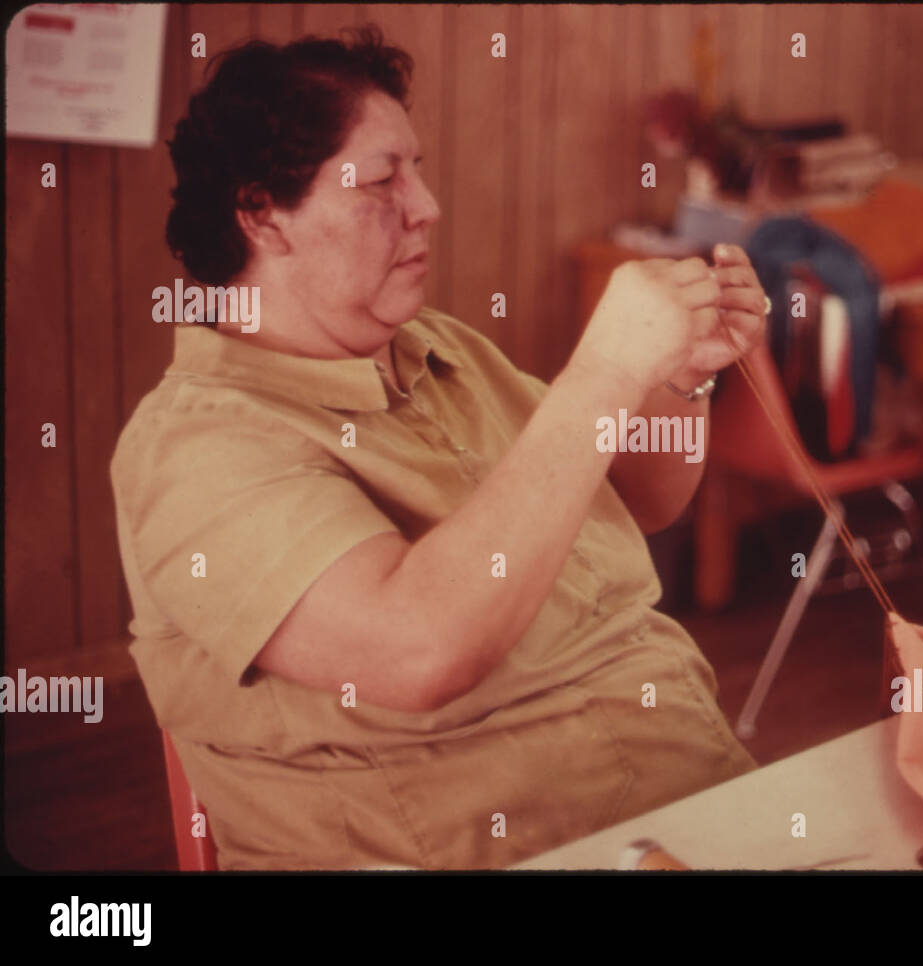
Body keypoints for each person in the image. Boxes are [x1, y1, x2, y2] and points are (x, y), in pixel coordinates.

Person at [110, 26, 769, 870]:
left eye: (415, 172)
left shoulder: (439, 347)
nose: (426, 206)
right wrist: (602, 372)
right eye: (383, 180)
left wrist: (681, 380)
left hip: (686, 806)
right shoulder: (196, 448)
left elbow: (643, 499)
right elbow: (419, 650)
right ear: (262, 215)